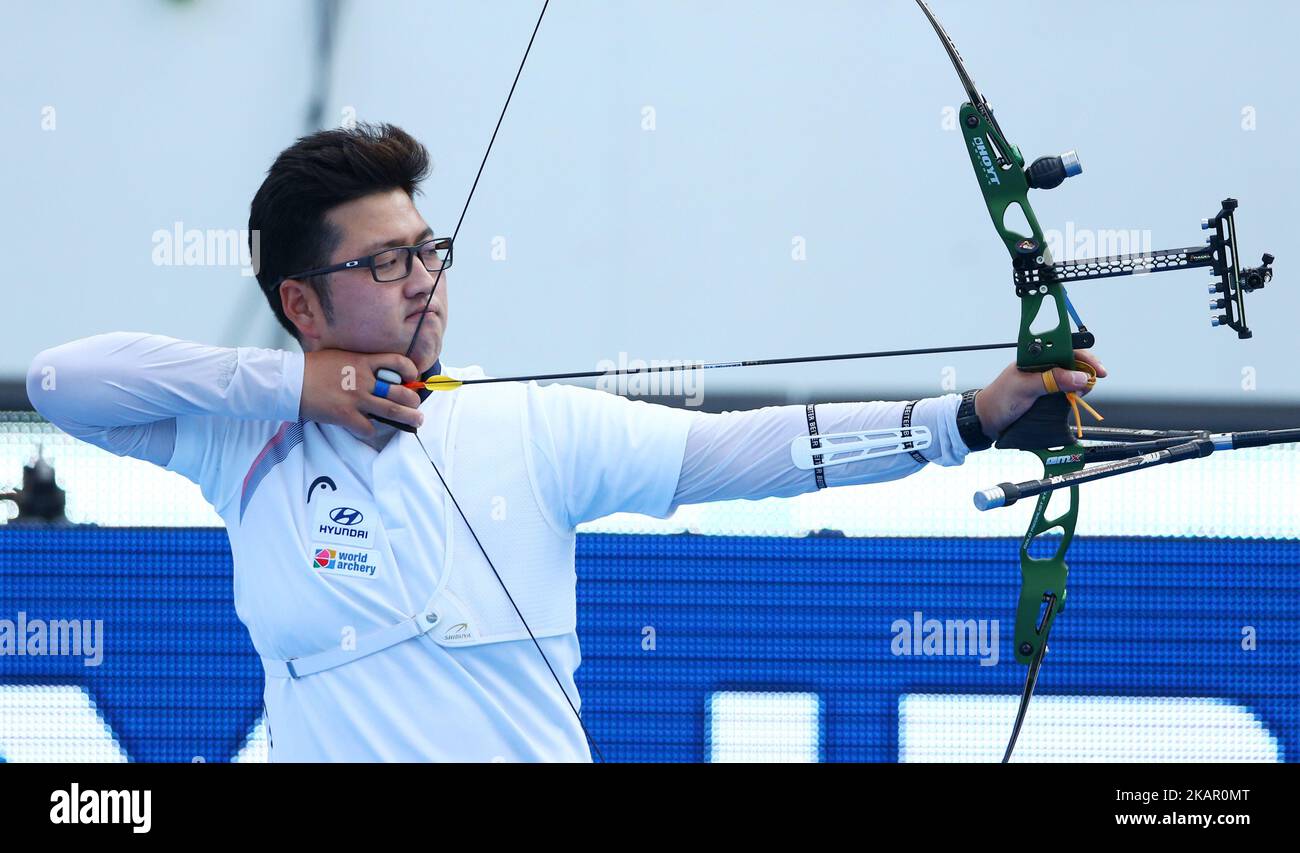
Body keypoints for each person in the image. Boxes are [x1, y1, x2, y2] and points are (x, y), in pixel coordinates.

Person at [26, 122, 1104, 761]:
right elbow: (62, 379)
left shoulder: (527, 423)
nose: (427, 282)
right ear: (302, 304)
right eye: (387, 265)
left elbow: (749, 451)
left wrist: (965, 419)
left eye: (429, 251)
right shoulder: (243, 438)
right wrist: (304, 384)